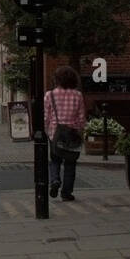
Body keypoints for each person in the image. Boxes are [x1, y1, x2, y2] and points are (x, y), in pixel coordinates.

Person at [45, 65, 86, 202]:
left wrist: (46, 129)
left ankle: (55, 180)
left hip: (55, 132)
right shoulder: (78, 95)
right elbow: (81, 118)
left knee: (55, 160)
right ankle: (66, 193)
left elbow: (46, 116)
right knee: (70, 163)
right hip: (72, 133)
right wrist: (79, 131)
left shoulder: (50, 95)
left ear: (57, 79)